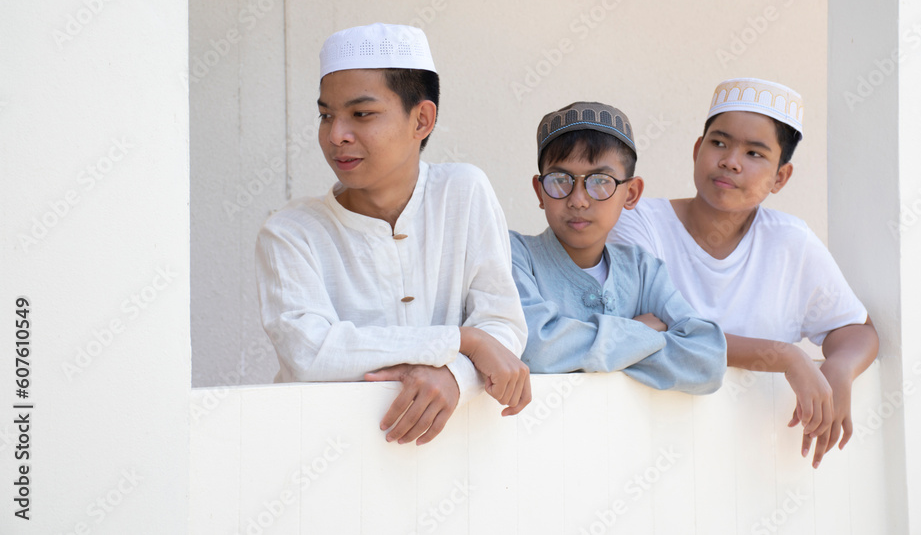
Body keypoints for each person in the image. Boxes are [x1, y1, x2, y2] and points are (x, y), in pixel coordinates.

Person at [255, 23, 530, 446]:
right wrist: (462, 341)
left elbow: (502, 324)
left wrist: (455, 373)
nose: (335, 135)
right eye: (326, 115)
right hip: (319, 456)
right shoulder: (291, 232)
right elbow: (311, 354)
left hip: (458, 457)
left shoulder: (464, 192)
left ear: (421, 119)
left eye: (361, 114)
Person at [609, 78, 879, 467]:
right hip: (643, 448)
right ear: (697, 150)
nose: (730, 161)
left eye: (754, 153)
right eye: (719, 143)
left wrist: (839, 367)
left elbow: (857, 329)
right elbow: (648, 332)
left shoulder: (790, 242)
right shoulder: (639, 223)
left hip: (757, 460)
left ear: (780, 177)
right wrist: (788, 357)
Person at [509, 102, 727, 393]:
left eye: (600, 181)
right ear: (540, 191)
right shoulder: (516, 256)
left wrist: (575, 348)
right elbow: (533, 348)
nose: (578, 200)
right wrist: (640, 331)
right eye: (560, 180)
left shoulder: (641, 269)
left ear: (631, 193)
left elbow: (707, 359)